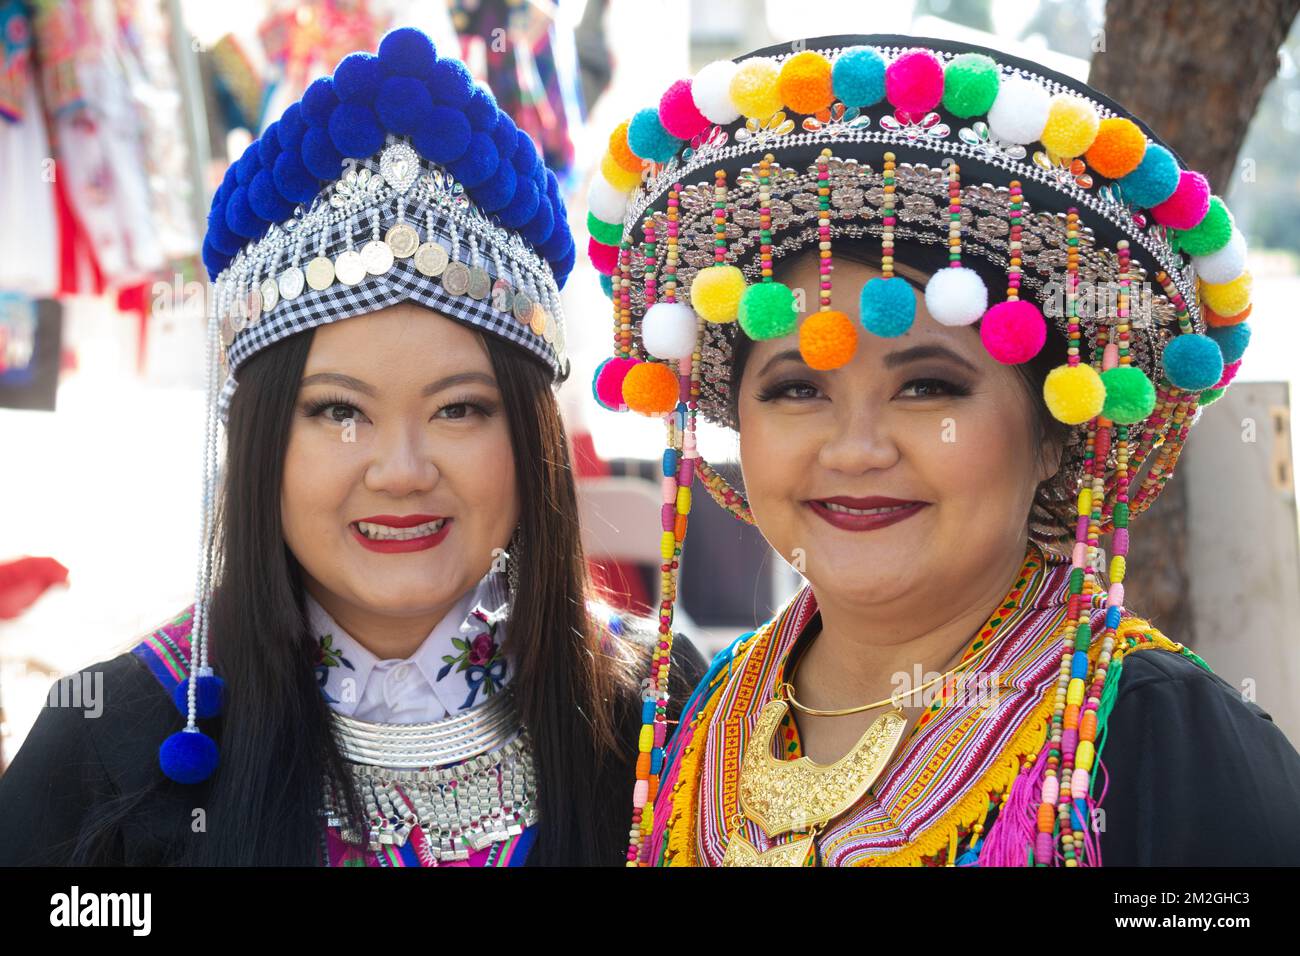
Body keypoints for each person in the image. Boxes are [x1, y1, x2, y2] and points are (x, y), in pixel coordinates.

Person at [581, 33, 1300, 866]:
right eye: (797, 389)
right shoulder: (707, 709)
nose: (855, 449)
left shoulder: (1168, 746)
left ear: (1053, 436)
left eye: (928, 388)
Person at [0, 27, 705, 867]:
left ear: (530, 437)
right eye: (340, 412)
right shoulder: (112, 740)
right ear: (260, 441)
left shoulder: (652, 708)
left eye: (460, 411)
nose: (401, 471)